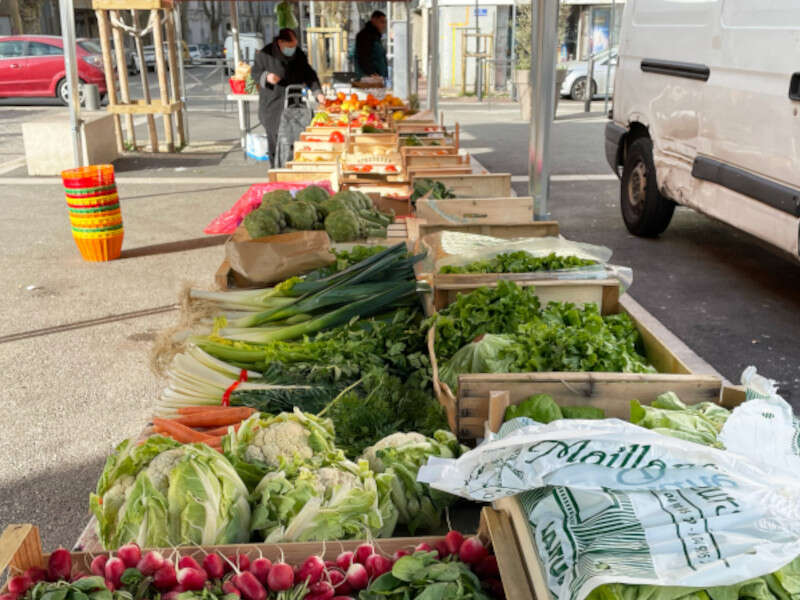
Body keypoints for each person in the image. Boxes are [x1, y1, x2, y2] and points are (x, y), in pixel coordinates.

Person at [252, 28, 324, 161]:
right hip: (272, 105)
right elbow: (255, 73)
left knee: (295, 140)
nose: (292, 49)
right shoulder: (265, 54)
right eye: (289, 46)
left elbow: (309, 74)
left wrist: (317, 93)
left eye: (294, 46)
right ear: (280, 42)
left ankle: (294, 166)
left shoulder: (298, 54)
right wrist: (267, 77)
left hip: (294, 103)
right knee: (276, 143)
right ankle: (276, 168)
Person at [355, 10, 388, 80]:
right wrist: (372, 73)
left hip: (376, 78)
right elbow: (363, 57)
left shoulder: (376, 36)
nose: (384, 25)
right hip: (369, 79)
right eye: (382, 22)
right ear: (374, 20)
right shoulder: (365, 36)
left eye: (385, 22)